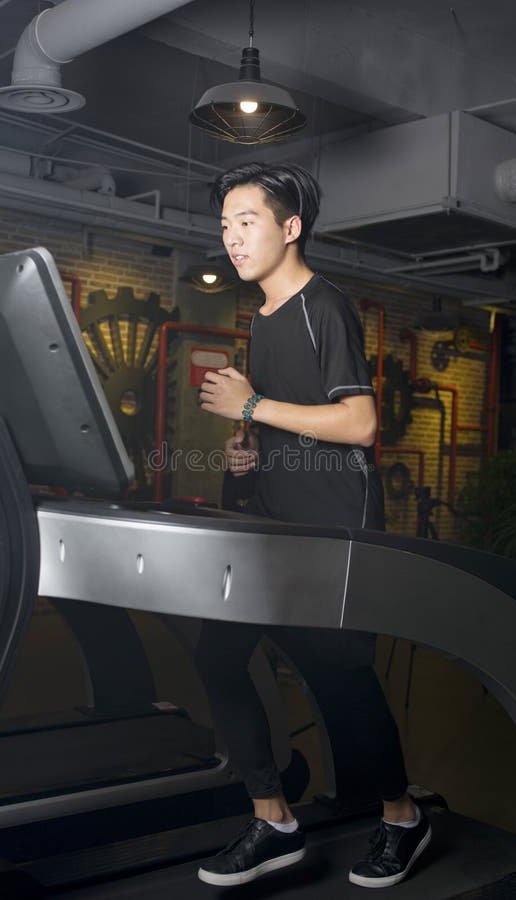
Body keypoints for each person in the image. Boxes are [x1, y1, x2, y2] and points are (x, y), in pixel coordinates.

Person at [197, 162, 431, 888]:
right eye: (225, 225)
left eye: (247, 222)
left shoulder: (320, 305)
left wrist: (250, 410)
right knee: (216, 653)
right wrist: (248, 452)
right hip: (274, 524)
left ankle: (402, 818)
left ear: (290, 228)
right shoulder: (263, 317)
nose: (232, 238)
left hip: (333, 529)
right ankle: (274, 820)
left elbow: (358, 424)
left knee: (341, 685)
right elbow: (287, 426)